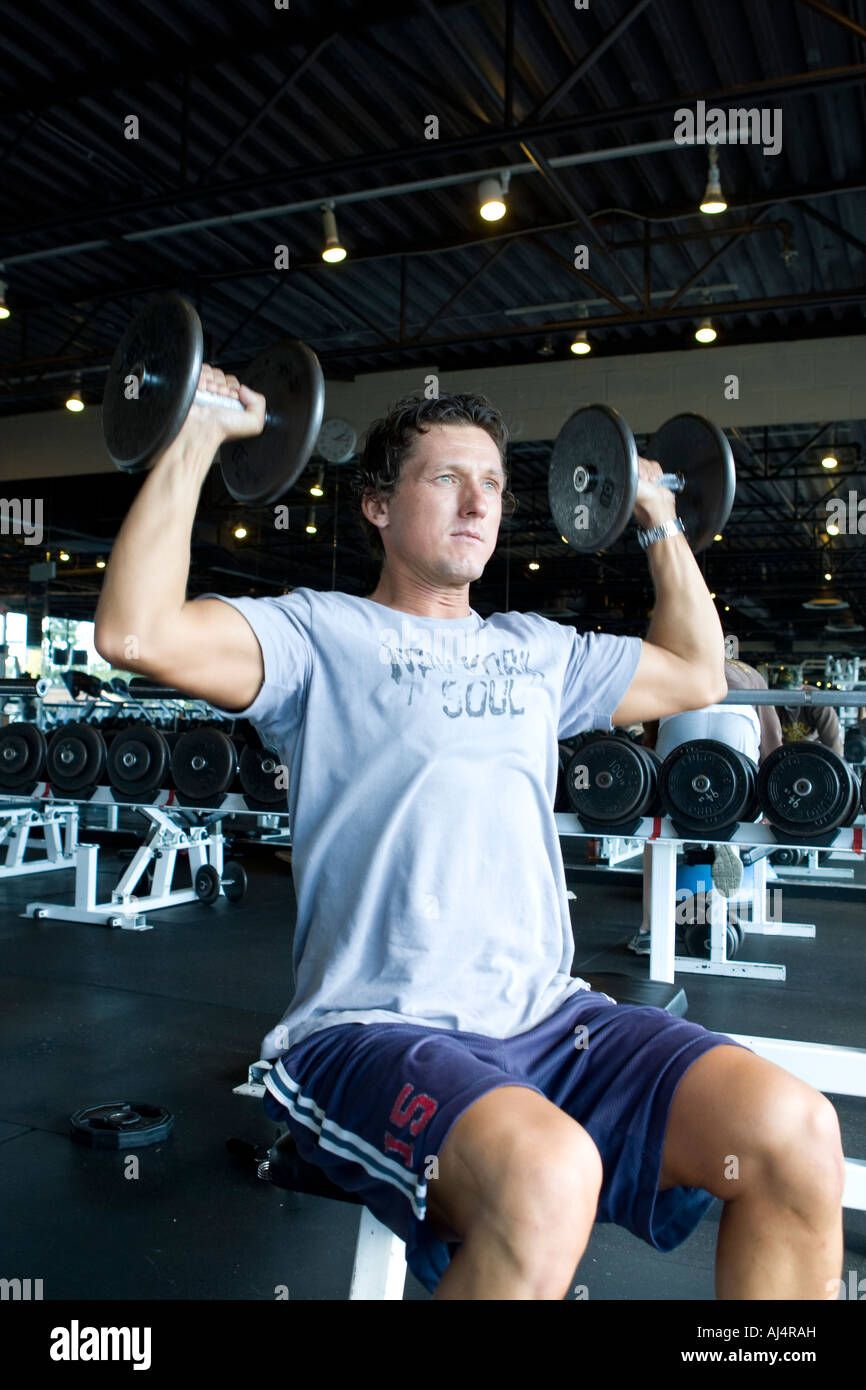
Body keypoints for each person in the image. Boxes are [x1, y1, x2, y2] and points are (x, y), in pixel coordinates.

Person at [94, 368, 844, 1301]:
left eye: (491, 484)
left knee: (796, 1135)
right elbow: (135, 633)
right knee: (546, 1177)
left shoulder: (538, 651)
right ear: (376, 503)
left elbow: (697, 673)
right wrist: (199, 436)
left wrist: (656, 513)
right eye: (446, 478)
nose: (477, 501)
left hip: (553, 1019)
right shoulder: (316, 636)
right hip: (372, 1032)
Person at [628, 658, 784, 954]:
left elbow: (650, 738)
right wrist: (771, 807)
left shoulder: (673, 666)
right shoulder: (748, 672)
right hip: (736, 725)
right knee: (736, 799)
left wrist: (652, 796)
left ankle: (649, 930)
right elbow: (772, 744)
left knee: (656, 830)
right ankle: (730, 835)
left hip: (680, 721)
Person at [772, 669, 844, 755]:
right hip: (787, 750)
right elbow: (771, 737)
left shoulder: (817, 700)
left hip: (815, 747)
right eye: (782, 692)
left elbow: (832, 739)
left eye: (791, 692)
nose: (786, 697)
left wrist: (836, 764)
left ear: (802, 688)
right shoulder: (774, 701)